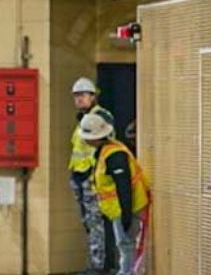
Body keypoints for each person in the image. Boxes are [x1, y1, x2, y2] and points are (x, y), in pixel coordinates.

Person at [79, 114, 149, 275]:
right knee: (125, 245)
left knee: (126, 246)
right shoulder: (106, 151)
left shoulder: (114, 155)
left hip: (127, 207)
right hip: (119, 208)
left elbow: (123, 186)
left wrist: (126, 214)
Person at [70, 77, 118, 274]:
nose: (79, 99)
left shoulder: (101, 117)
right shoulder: (83, 119)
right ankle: (96, 263)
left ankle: (100, 266)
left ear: (93, 96)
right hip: (80, 175)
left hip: (92, 177)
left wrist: (95, 173)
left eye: (83, 95)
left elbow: (105, 145)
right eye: (76, 96)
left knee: (96, 223)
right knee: (89, 223)